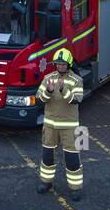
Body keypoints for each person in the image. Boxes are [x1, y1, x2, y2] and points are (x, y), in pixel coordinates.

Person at [36, 48, 84, 201]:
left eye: (63, 64)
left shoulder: (77, 80)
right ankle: (46, 182)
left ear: (69, 64)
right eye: (58, 64)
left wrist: (63, 89)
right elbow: (39, 99)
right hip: (50, 125)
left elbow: (77, 100)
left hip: (70, 126)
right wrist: (49, 91)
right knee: (47, 156)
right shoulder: (48, 78)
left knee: (72, 158)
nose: (60, 66)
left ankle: (75, 189)